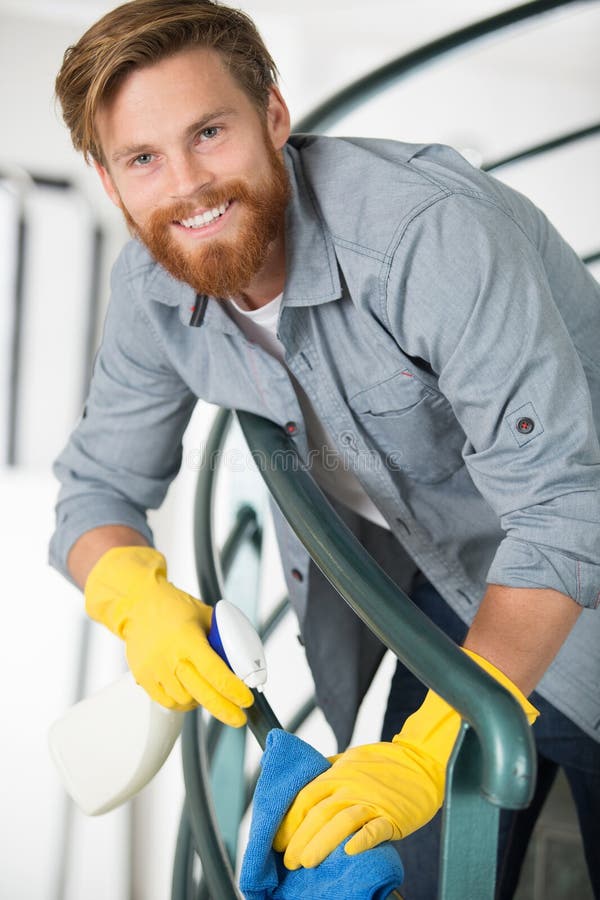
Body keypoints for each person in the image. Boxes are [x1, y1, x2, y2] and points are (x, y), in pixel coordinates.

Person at [51, 1, 600, 897]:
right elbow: (93, 492)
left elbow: (566, 510)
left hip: (576, 588)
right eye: (143, 158)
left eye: (210, 132)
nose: (186, 183)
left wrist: (434, 745)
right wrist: (135, 603)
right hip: (437, 600)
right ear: (111, 183)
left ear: (274, 115)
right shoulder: (151, 285)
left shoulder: (425, 235)